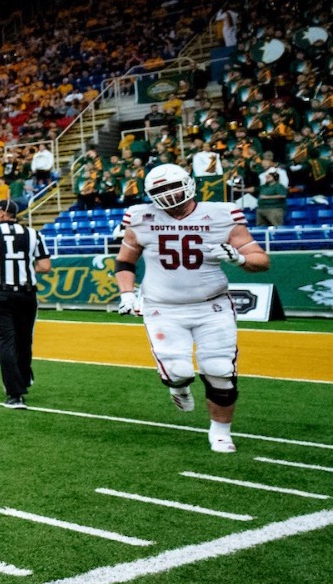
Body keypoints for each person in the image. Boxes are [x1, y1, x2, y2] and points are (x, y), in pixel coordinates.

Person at [113, 163, 271, 453]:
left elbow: (260, 261)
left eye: (173, 186)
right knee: (177, 370)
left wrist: (237, 258)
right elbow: (125, 260)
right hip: (163, 308)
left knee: (220, 370)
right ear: (150, 194)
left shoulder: (221, 214)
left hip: (212, 306)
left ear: (188, 183)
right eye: (160, 190)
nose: (169, 194)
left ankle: (220, 432)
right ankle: (178, 385)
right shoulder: (140, 217)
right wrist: (126, 294)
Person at [0, 199, 51, 408]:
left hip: (0, 294)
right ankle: (22, 378)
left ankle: (15, 395)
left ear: (3, 213)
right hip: (26, 294)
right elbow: (45, 266)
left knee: (5, 342)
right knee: (24, 341)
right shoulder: (33, 234)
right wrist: (24, 265)